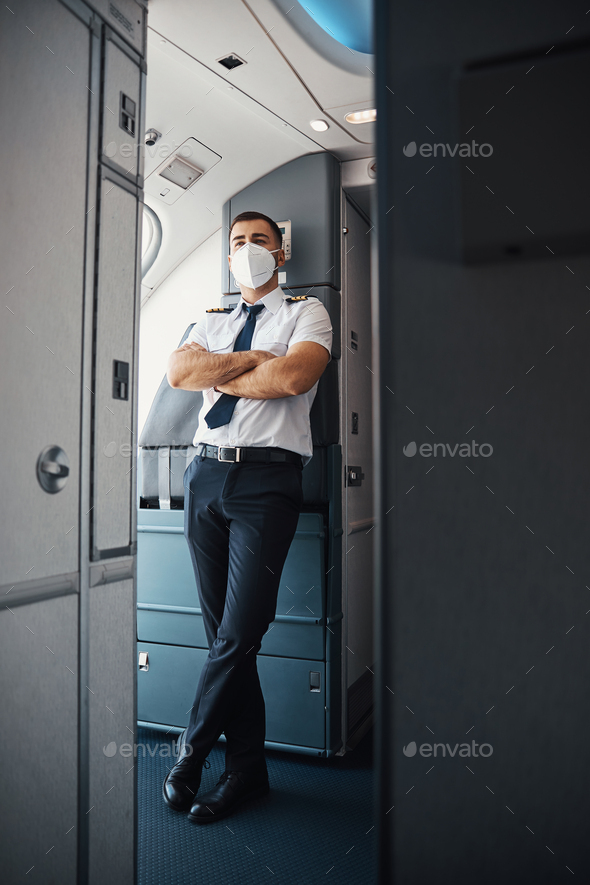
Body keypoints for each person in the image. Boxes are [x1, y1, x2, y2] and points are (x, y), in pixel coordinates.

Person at [162, 210, 333, 824]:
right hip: (204, 475)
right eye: (238, 242)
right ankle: (248, 771)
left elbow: (292, 377)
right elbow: (181, 373)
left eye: (260, 240)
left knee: (241, 630)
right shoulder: (209, 318)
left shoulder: (307, 313)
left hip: (267, 480)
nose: (248, 250)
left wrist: (227, 368)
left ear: (280, 254)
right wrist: (251, 358)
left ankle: (191, 754)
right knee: (225, 640)